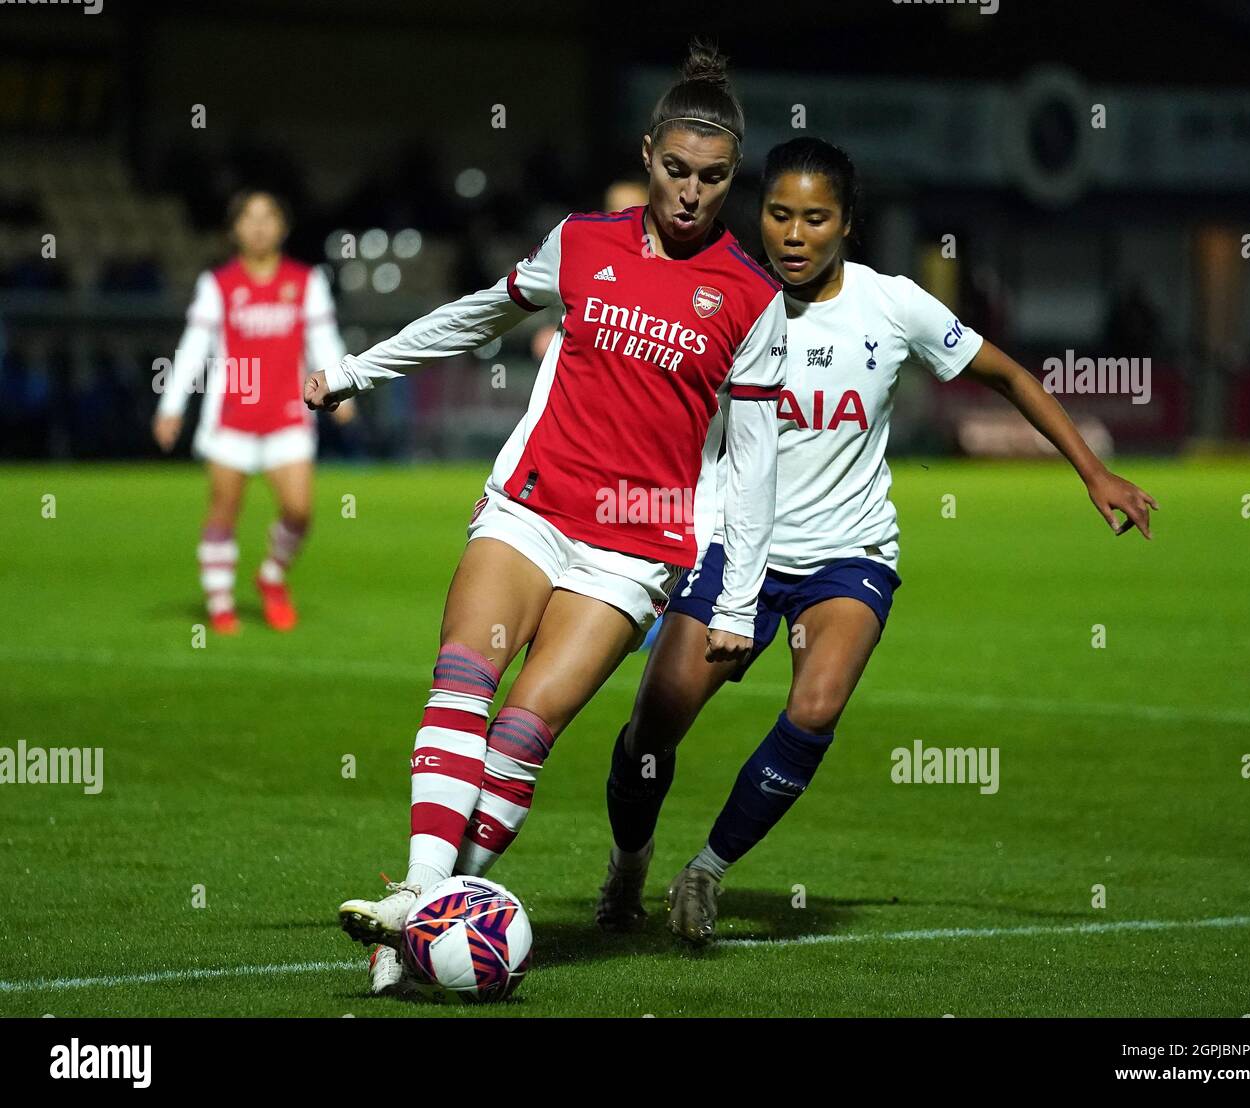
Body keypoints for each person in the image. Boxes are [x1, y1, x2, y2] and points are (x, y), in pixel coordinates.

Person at [304, 42, 788, 991]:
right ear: (648, 154)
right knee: (463, 676)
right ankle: (421, 900)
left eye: (714, 179)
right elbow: (477, 314)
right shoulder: (582, 243)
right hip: (533, 505)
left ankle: (423, 921)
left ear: (735, 178)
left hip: (636, 546)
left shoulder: (752, 297)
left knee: (526, 731)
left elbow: (757, 461)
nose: (691, 193)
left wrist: (737, 598)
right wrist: (362, 369)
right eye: (675, 170)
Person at [596, 137, 1160, 944]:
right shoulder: (724, 294)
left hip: (848, 554)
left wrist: (1093, 472)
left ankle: (707, 872)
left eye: (815, 218)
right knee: (653, 728)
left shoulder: (893, 305)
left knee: (815, 707)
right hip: (734, 552)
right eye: (780, 214)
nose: (793, 234)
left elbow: (1007, 374)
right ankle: (630, 862)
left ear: (848, 225)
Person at [153, 190, 352, 634]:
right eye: (249, 217)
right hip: (231, 419)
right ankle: (220, 602)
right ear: (234, 229)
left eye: (268, 217)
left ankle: (272, 576)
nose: (259, 226)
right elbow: (193, 348)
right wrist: (171, 405)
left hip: (287, 416)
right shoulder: (218, 284)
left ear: (283, 226)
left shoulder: (306, 281)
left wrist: (343, 388)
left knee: (299, 511)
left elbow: (324, 339)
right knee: (224, 510)